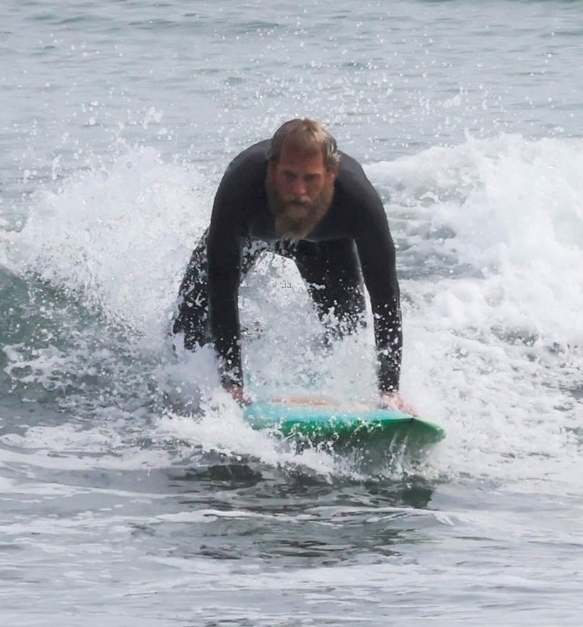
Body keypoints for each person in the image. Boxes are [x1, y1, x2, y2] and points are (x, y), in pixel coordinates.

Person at [172, 118, 412, 412]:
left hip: (326, 247)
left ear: (330, 174)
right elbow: (222, 287)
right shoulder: (241, 187)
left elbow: (385, 297)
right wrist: (232, 383)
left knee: (345, 333)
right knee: (185, 329)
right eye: (288, 176)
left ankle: (332, 395)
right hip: (250, 237)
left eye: (311, 178)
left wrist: (390, 389)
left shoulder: (358, 202)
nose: (299, 190)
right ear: (271, 169)